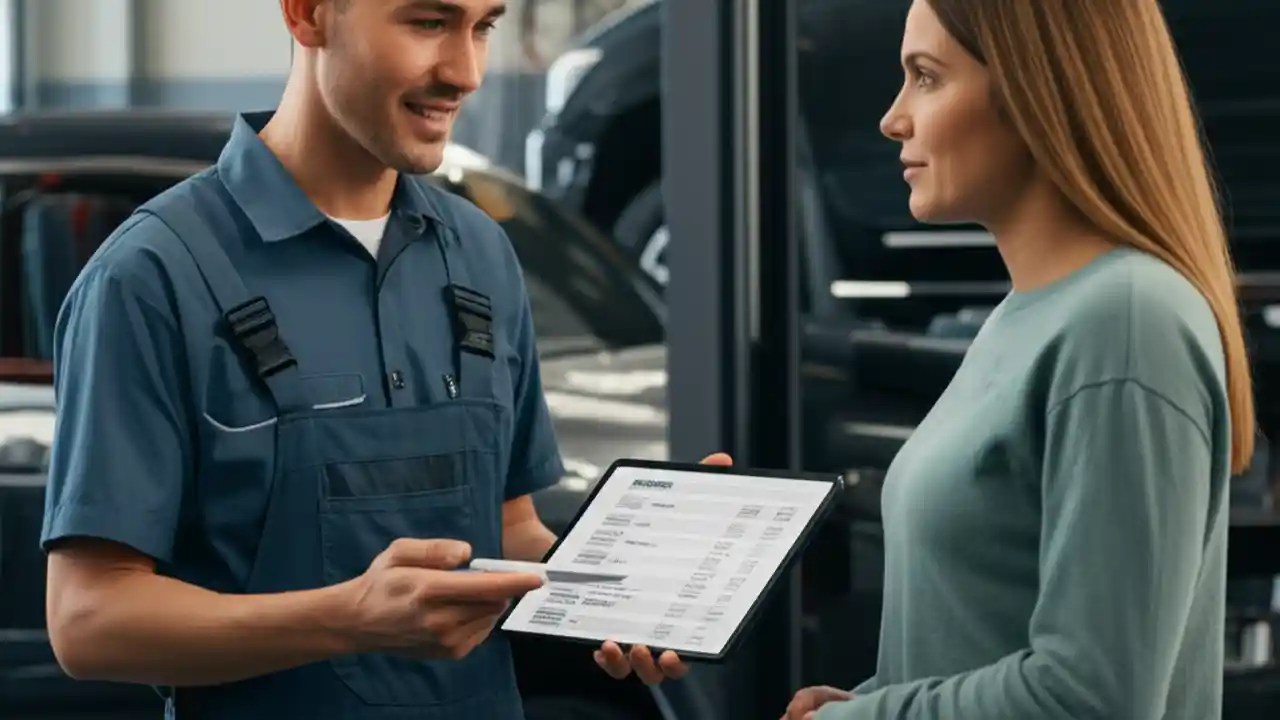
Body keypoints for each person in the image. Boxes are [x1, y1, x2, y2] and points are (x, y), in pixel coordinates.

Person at [39, 0, 726, 717]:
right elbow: (89, 618)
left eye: (483, 27)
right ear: (308, 15)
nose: (465, 71)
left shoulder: (480, 254)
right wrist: (349, 618)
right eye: (428, 22)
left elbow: (509, 526)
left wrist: (626, 583)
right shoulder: (153, 277)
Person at [605, 1, 1256, 719]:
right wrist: (878, 700)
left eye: (926, 77)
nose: (893, 118)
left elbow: (1091, 698)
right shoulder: (1030, 317)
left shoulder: (1127, 321)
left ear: (1039, 89)